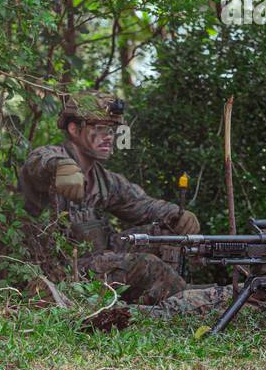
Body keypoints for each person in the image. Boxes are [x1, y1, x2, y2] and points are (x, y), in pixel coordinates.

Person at [18, 91, 199, 304]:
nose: (109, 137)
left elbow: (141, 205)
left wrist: (176, 215)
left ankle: (159, 300)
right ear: (74, 129)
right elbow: (37, 161)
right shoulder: (53, 158)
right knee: (144, 263)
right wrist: (60, 167)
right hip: (57, 271)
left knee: (164, 233)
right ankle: (186, 301)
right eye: (99, 128)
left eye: (111, 130)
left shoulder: (104, 179)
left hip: (97, 261)